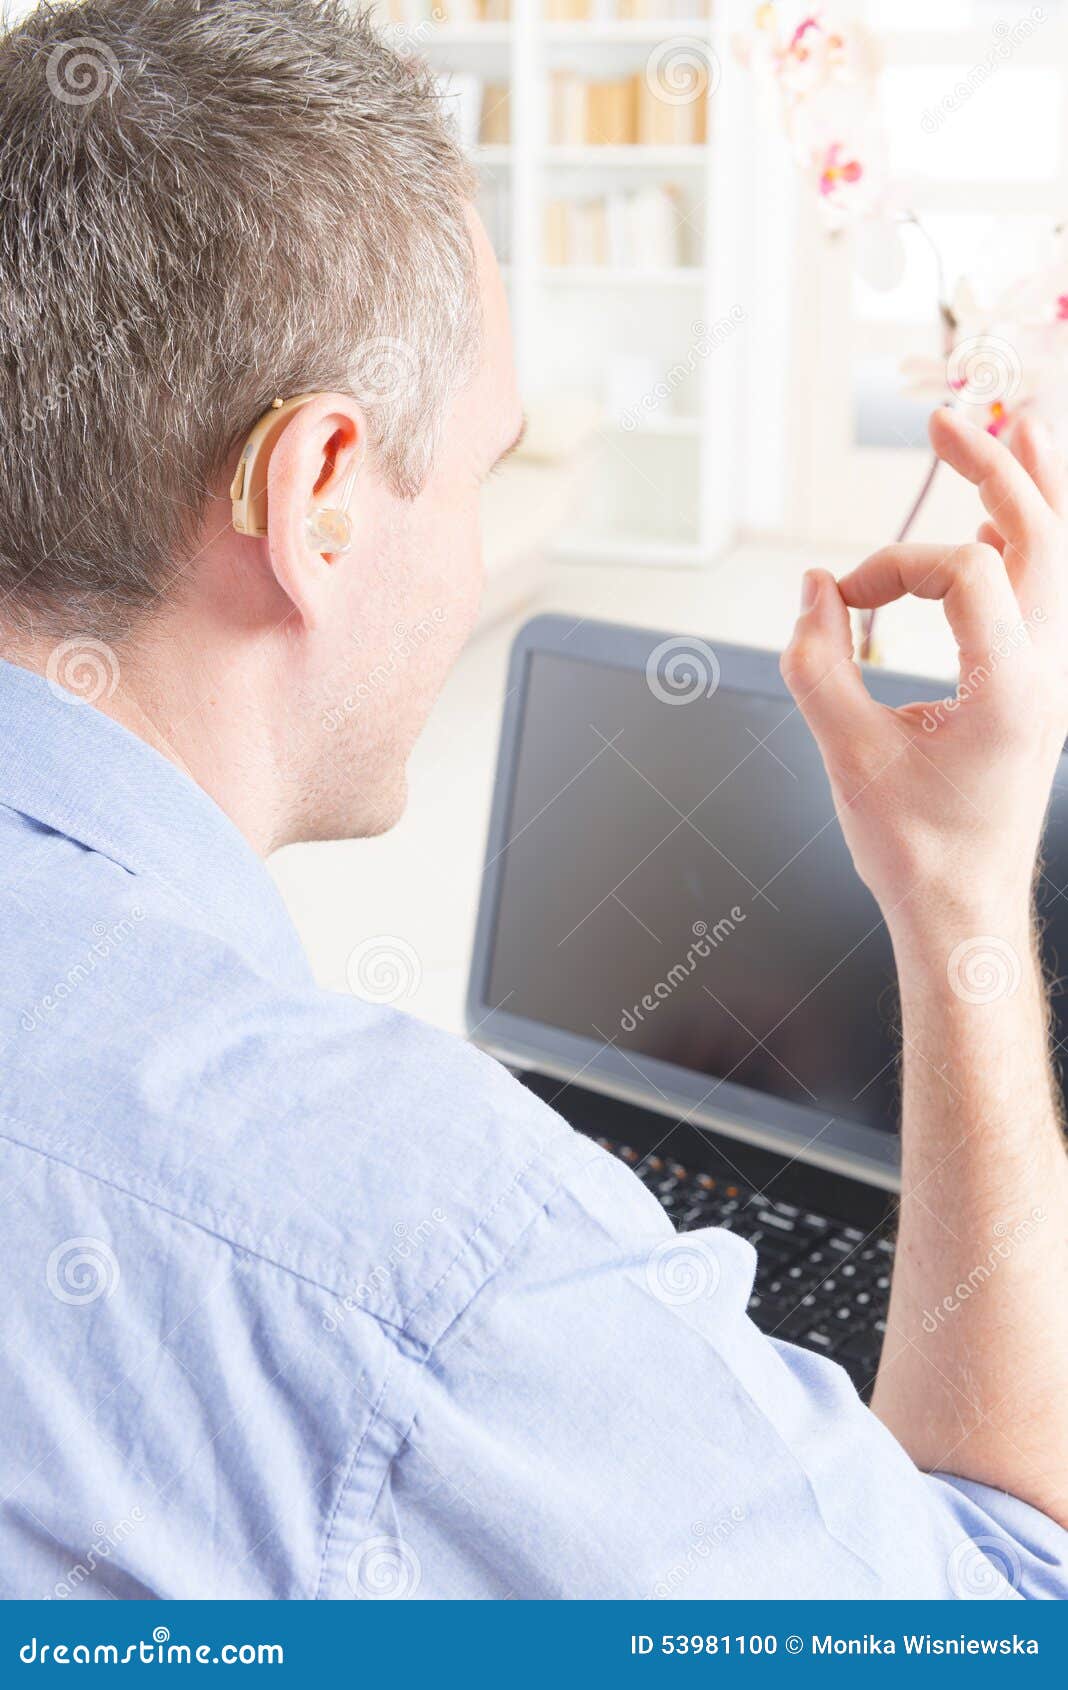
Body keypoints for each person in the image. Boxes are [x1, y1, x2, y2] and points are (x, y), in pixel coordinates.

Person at [0, 0, 1064, 1602]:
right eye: (486, 466)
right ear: (322, 501)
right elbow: (992, 1610)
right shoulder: (433, 1258)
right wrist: (964, 888)